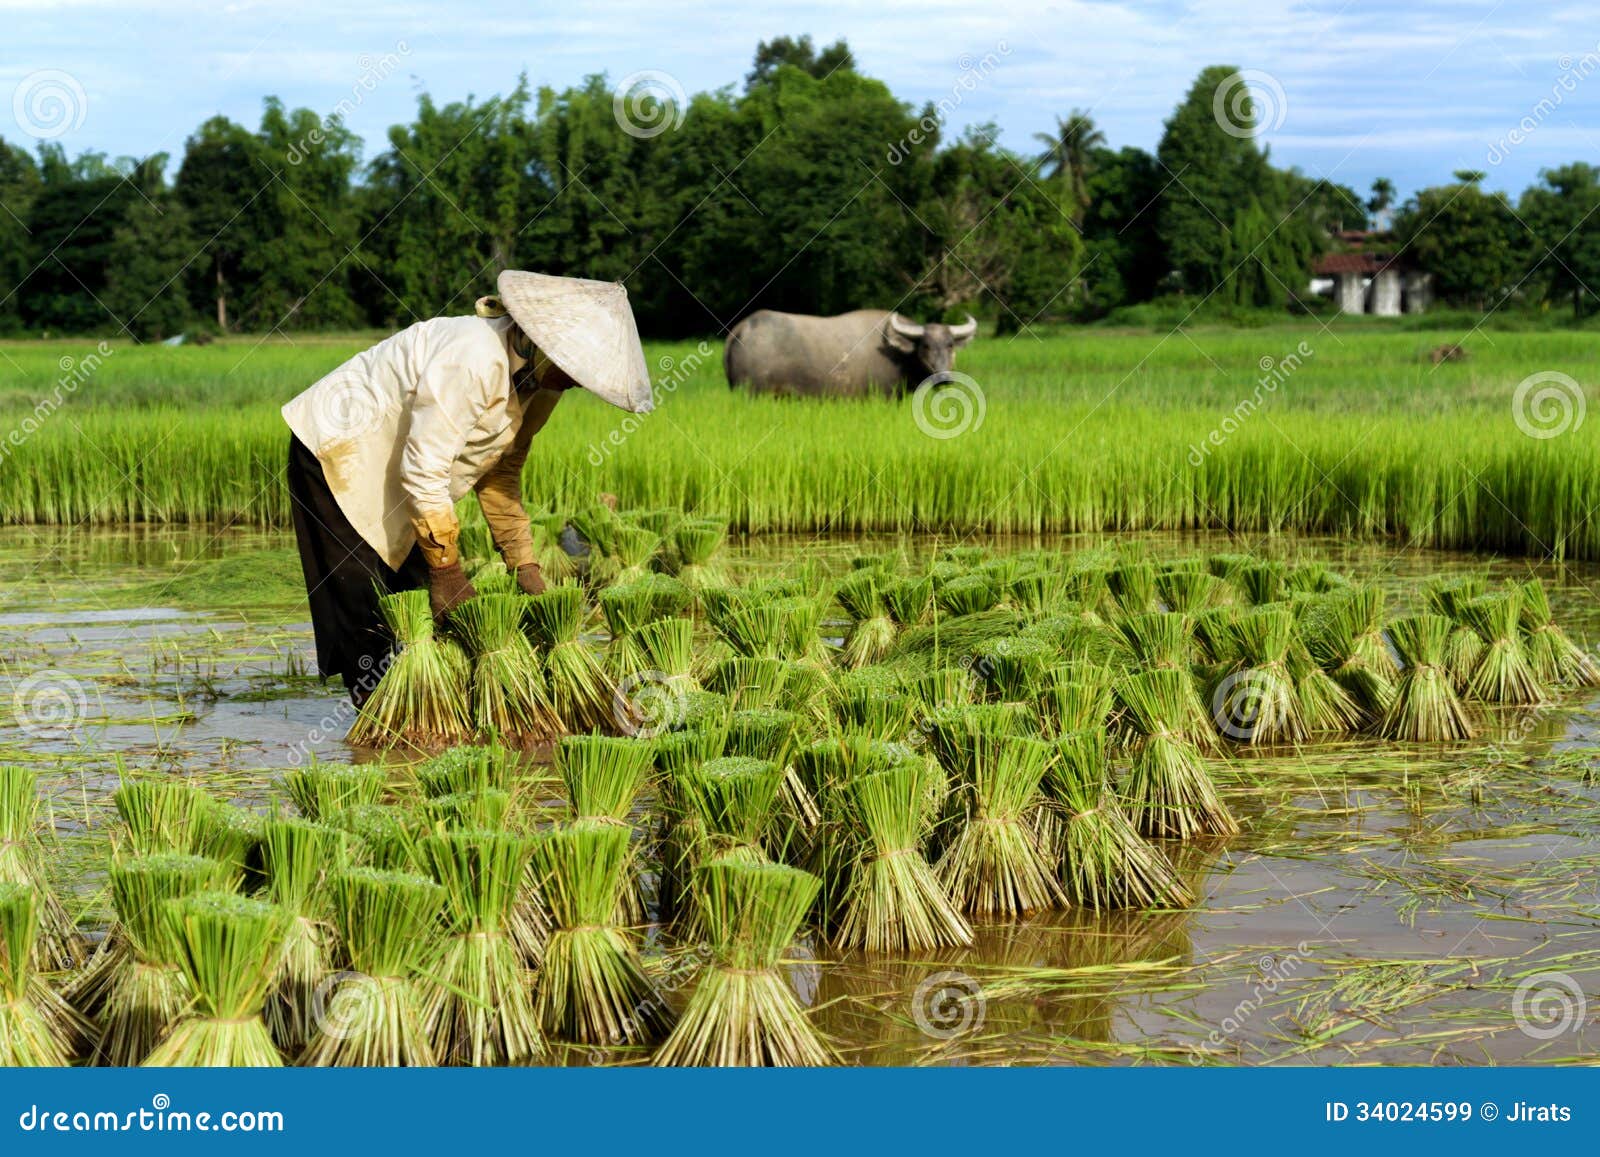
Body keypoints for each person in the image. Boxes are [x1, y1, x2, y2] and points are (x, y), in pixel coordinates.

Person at [281, 270, 653, 706]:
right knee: (365, 595)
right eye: (572, 371)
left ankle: (421, 700)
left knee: (418, 597)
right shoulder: (474, 357)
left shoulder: (543, 384)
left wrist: (524, 565)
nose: (573, 383)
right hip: (338, 449)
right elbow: (424, 470)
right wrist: (447, 571)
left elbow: (500, 472)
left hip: (405, 469)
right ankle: (377, 717)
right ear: (541, 342)